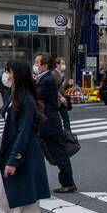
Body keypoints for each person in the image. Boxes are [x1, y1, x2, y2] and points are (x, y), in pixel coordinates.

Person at [0, 60, 50, 213]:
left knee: (28, 199)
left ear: (16, 74)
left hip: (25, 155)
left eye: (8, 71)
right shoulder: (17, 96)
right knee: (3, 194)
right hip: (18, 154)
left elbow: (24, 132)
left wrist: (14, 159)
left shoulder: (25, 98)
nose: (6, 75)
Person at [35, 53, 77, 193]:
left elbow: (37, 95)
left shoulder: (47, 79)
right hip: (46, 123)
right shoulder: (44, 78)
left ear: (45, 65)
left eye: (37, 63)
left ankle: (68, 183)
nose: (35, 66)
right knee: (48, 153)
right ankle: (63, 182)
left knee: (59, 154)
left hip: (49, 123)